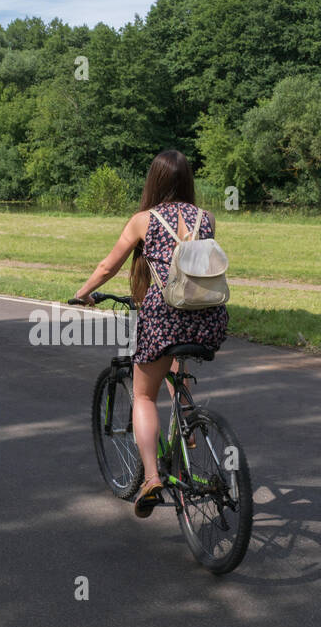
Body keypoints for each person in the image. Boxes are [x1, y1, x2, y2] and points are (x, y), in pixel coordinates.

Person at [72, 149, 229, 517]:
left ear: (154, 180)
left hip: (162, 317)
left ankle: (152, 479)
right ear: (188, 180)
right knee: (175, 363)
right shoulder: (207, 218)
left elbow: (108, 266)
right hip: (209, 318)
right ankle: (188, 424)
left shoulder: (144, 220)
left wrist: (82, 294)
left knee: (143, 396)